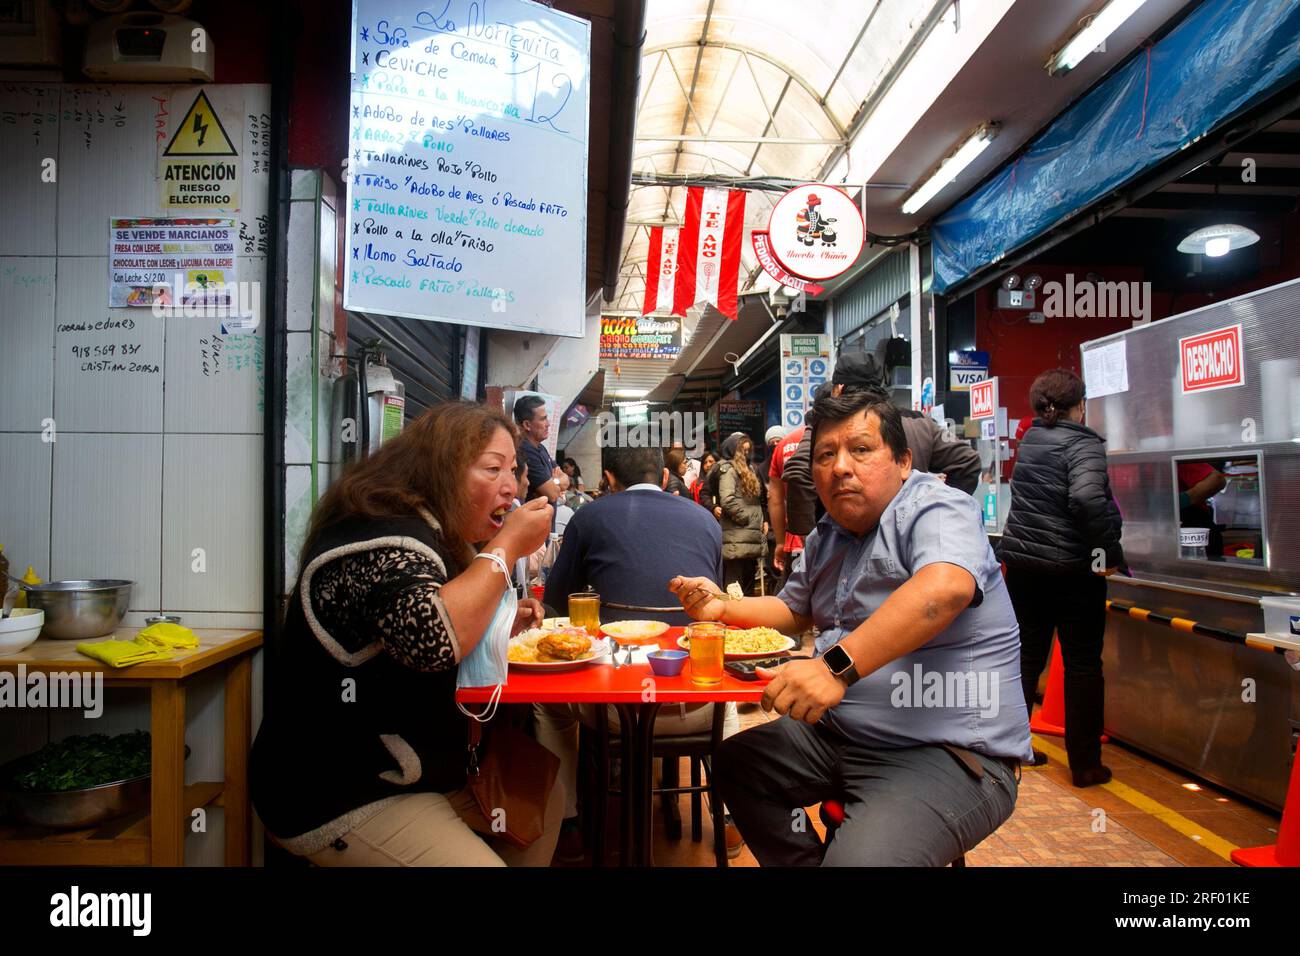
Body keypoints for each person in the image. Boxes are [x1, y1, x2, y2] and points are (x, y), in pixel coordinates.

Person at [671, 391, 1030, 866]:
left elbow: (945, 588)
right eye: (825, 455)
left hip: (948, 752)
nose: (840, 467)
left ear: (903, 461)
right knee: (738, 765)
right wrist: (721, 608)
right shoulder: (828, 536)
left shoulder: (936, 508)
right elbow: (793, 611)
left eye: (860, 450)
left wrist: (834, 668)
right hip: (843, 737)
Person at [250, 402, 562, 866]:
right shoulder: (380, 536)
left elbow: (430, 617)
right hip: (340, 788)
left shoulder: (432, 532)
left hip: (424, 771)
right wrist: (508, 544)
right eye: (492, 469)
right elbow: (431, 640)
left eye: (513, 470)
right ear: (441, 471)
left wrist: (500, 619)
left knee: (542, 798)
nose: (509, 487)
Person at [534, 444, 742, 859]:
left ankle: (569, 823)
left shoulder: (587, 516)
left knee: (546, 703)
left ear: (609, 480)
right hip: (697, 702)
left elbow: (556, 604)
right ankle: (729, 820)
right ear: (665, 479)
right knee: (729, 700)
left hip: (609, 707)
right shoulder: (705, 519)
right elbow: (711, 605)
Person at [998, 369, 1124, 787]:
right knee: (1083, 664)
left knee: (1026, 657)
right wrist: (1109, 552)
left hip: (1025, 568)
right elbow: (1087, 499)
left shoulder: (1030, 440)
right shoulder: (1084, 443)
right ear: (1079, 405)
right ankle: (1086, 764)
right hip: (1074, 572)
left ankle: (1012, 749)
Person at [781, 352, 982, 538]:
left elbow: (799, 471)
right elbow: (967, 462)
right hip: (912, 535)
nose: (841, 466)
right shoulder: (920, 423)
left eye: (861, 450)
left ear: (838, 388)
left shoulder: (830, 426)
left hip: (851, 542)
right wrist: (935, 510)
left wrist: (812, 535)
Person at [716, 432, 766, 596]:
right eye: (742, 450)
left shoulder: (751, 469)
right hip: (736, 538)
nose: (745, 454)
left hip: (750, 537)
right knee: (734, 590)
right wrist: (745, 518)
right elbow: (727, 499)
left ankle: (748, 622)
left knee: (748, 589)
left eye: (747, 450)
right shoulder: (728, 470)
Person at [767, 423, 806, 596]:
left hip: (795, 538)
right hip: (836, 536)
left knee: (793, 596)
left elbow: (775, 499)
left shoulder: (785, 445)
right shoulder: (836, 434)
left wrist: (781, 542)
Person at [514, 394, 569, 503]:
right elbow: (552, 494)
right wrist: (557, 483)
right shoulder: (526, 451)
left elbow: (566, 480)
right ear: (527, 425)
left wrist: (555, 481)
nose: (548, 424)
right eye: (543, 419)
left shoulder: (541, 448)